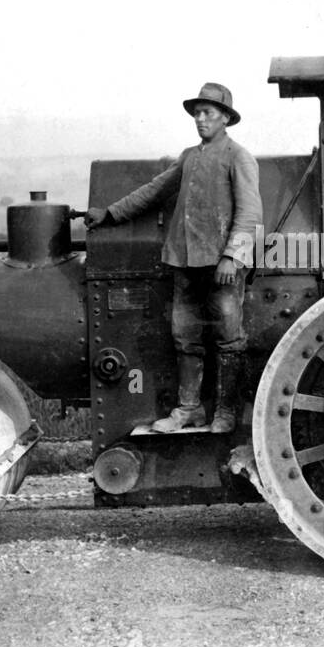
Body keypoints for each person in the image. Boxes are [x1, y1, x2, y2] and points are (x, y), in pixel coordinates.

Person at [85, 83, 262, 434]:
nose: (200, 119)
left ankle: (225, 414)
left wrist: (232, 257)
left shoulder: (238, 156)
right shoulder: (189, 157)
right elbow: (154, 191)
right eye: (197, 113)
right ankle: (190, 410)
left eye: (208, 113)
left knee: (229, 339)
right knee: (185, 338)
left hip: (221, 266)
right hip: (184, 262)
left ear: (225, 118)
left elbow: (251, 211)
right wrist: (109, 214)